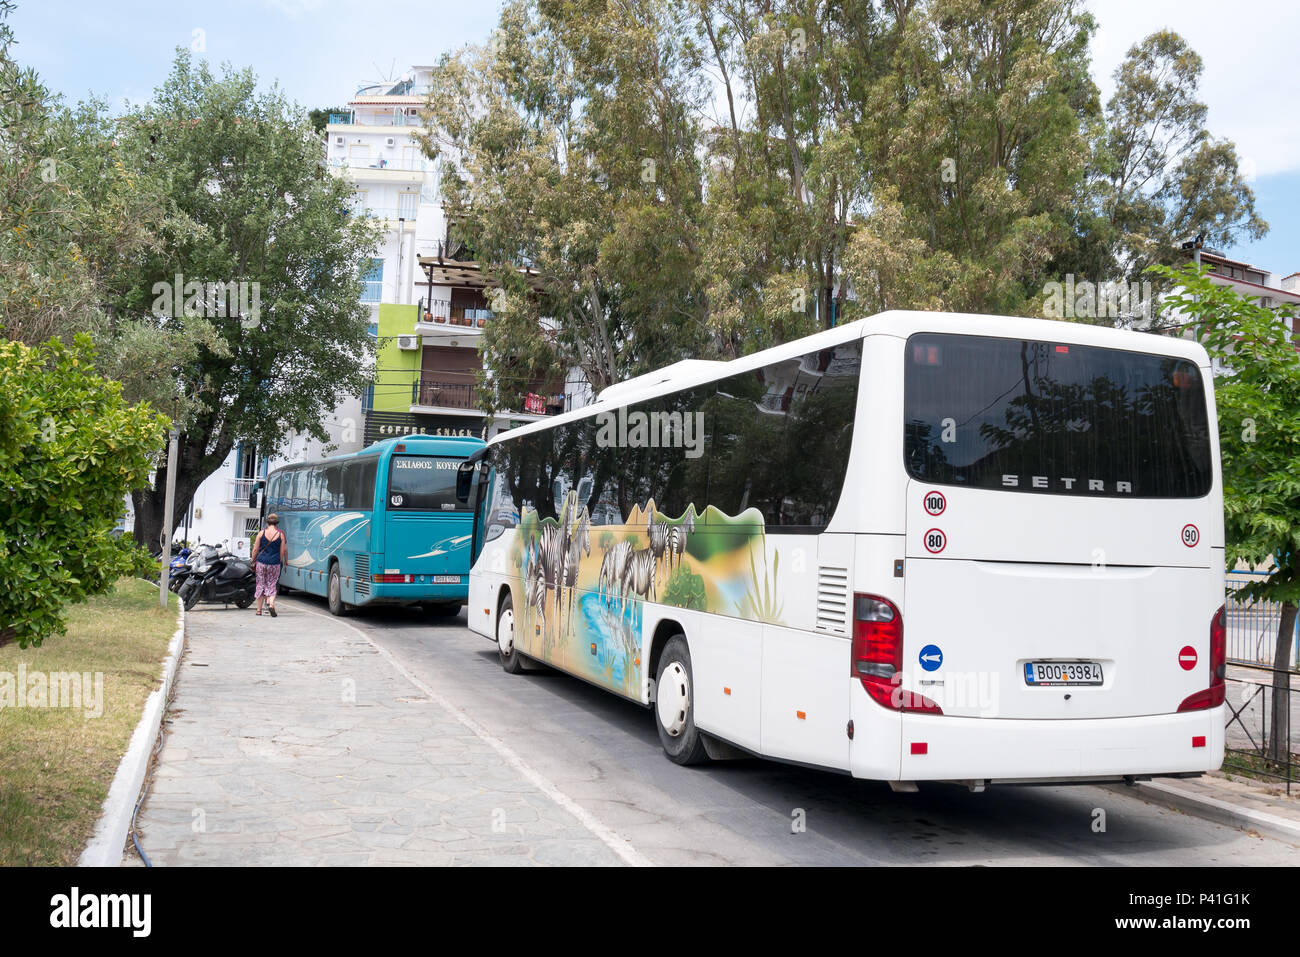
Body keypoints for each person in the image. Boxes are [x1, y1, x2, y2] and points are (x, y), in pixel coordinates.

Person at [252, 515, 287, 617]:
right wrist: (279, 561)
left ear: (267, 523)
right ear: (277, 523)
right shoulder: (281, 535)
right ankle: (271, 604)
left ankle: (259, 610)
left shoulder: (261, 533)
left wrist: (253, 560)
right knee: (271, 584)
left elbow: (255, 550)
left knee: (260, 584)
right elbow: (282, 551)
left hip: (261, 562)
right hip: (274, 563)